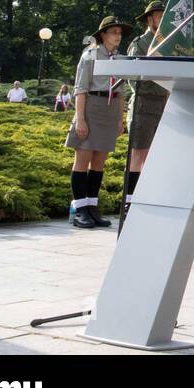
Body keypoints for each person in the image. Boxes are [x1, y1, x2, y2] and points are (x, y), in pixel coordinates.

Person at [65, 16, 133, 230]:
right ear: (103, 34)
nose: (117, 36)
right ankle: (79, 210)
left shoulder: (120, 59)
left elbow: (121, 91)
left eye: (120, 33)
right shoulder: (90, 55)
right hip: (91, 106)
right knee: (83, 159)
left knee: (99, 162)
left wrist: (120, 118)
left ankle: (92, 207)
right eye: (113, 32)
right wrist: (81, 119)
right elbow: (80, 89)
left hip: (110, 108)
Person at [122, 1, 169, 225]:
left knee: (154, 156)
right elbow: (133, 76)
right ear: (150, 19)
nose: (163, 18)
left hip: (163, 102)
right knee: (138, 154)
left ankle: (147, 198)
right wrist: (156, 85)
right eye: (159, 15)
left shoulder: (169, 43)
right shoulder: (140, 43)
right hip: (144, 102)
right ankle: (130, 200)